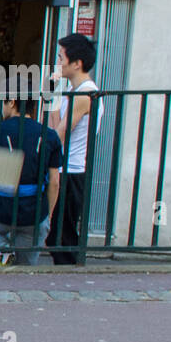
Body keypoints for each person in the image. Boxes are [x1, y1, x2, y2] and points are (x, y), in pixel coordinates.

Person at [0, 94, 63, 265]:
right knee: (25, 268)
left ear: (11, 102)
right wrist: (48, 215)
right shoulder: (50, 135)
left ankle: (3, 252)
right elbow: (54, 181)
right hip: (34, 212)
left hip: (2, 208)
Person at [46, 32, 99, 264]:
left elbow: (60, 133)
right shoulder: (74, 93)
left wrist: (42, 151)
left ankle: (71, 277)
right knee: (57, 234)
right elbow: (56, 127)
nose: (58, 62)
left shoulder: (84, 94)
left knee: (62, 235)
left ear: (77, 63)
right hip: (66, 169)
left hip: (73, 171)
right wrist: (53, 92)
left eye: (61, 58)